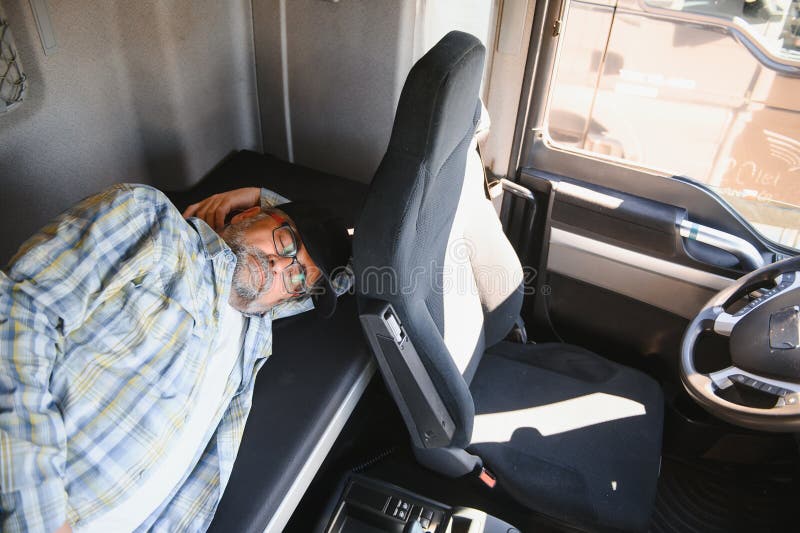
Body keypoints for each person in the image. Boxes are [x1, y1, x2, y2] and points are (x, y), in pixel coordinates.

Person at [0, 184, 351, 532]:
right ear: (248, 215)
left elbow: (364, 267)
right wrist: (40, 518)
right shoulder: (154, 224)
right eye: (285, 241)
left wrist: (266, 199)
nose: (278, 266)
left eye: (296, 276)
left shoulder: (257, 332)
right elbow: (18, 318)